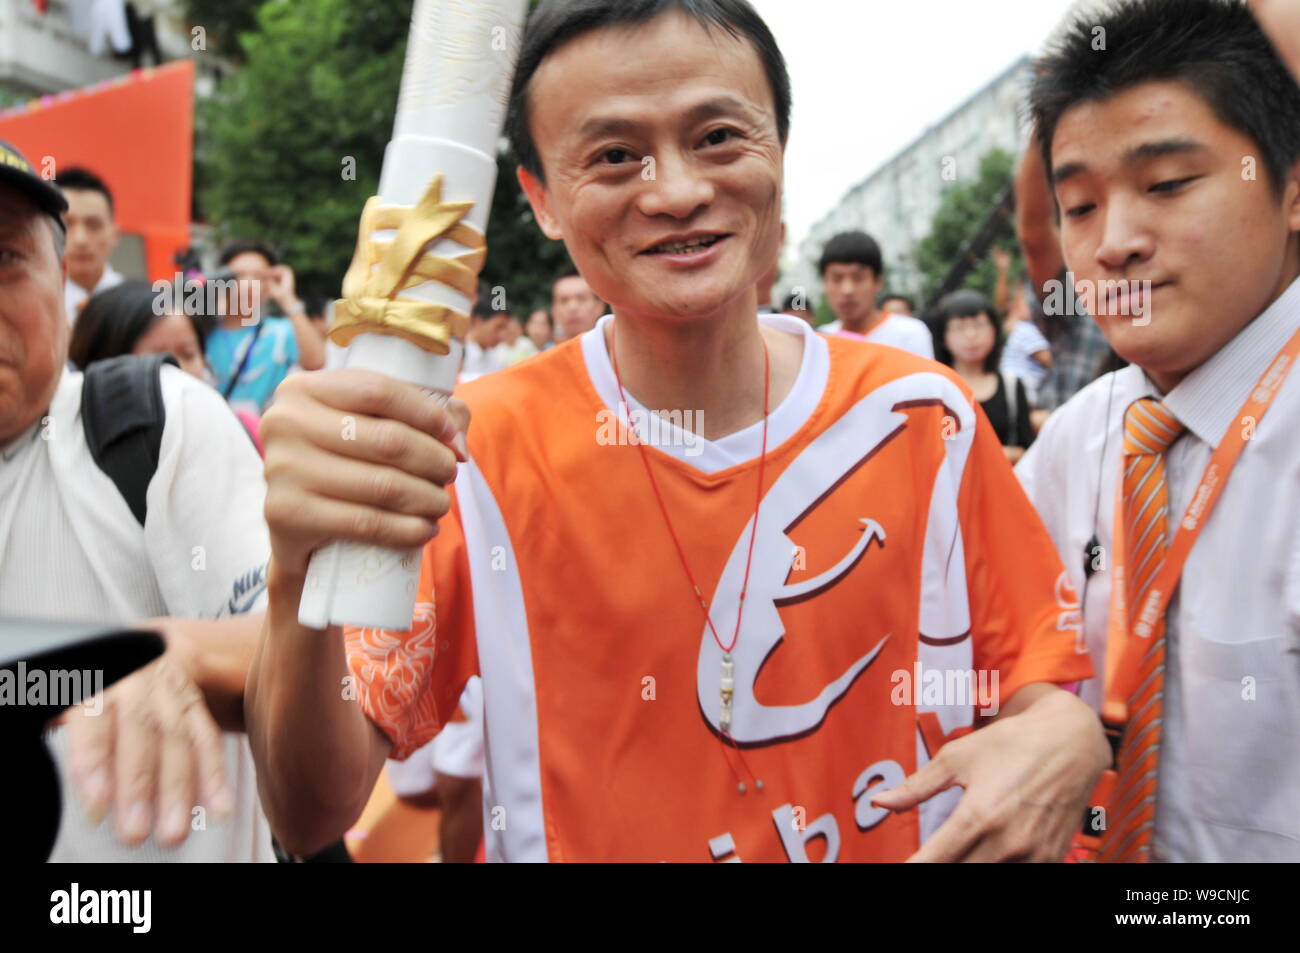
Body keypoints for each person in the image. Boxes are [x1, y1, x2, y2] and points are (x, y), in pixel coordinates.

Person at [247, 0, 1107, 864]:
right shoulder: (474, 451)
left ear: (779, 153)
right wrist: (297, 572)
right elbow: (313, 806)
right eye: (615, 156)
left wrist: (1064, 730)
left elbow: (1035, 684)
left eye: (719, 138)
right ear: (541, 200)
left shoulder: (919, 417)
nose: (679, 191)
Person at [1018, 0, 1300, 862]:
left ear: (1291, 190)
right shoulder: (1078, 438)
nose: (1116, 244)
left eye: (1168, 184)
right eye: (1079, 206)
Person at [0, 141, 274, 861]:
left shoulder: (155, 425)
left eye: (4, 258)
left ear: (63, 283)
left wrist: (177, 656)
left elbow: (300, 656)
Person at [67, 280, 264, 455]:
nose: (178, 369)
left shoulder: (249, 433)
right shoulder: (69, 452)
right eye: (158, 359)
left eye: (188, 354)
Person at [205, 239, 325, 415]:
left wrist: (287, 298)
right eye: (238, 275)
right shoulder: (202, 332)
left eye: (259, 276)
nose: (248, 284)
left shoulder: (281, 332)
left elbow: (316, 362)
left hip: (263, 437)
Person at [931, 290, 1035, 463]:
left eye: (979, 325)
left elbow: (1029, 450)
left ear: (994, 330)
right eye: (959, 327)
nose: (970, 335)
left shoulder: (1012, 386)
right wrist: (992, 455)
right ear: (943, 337)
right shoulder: (936, 390)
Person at [819, 231, 935, 358]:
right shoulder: (820, 340)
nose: (847, 290)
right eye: (837, 279)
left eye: (858, 278)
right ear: (824, 283)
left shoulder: (910, 333)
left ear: (878, 282)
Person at [57, 167, 123, 325]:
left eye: (93, 225)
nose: (81, 240)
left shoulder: (137, 307)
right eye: (66, 224)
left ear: (114, 234)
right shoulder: (30, 305)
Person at [460, 299, 512, 381]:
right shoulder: (458, 353)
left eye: (505, 328)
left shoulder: (495, 359)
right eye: (498, 327)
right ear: (479, 321)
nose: (502, 335)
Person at [550, 269, 604, 342]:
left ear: (599, 306)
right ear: (554, 310)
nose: (572, 307)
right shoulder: (544, 353)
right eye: (564, 300)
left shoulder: (617, 351)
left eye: (581, 299)